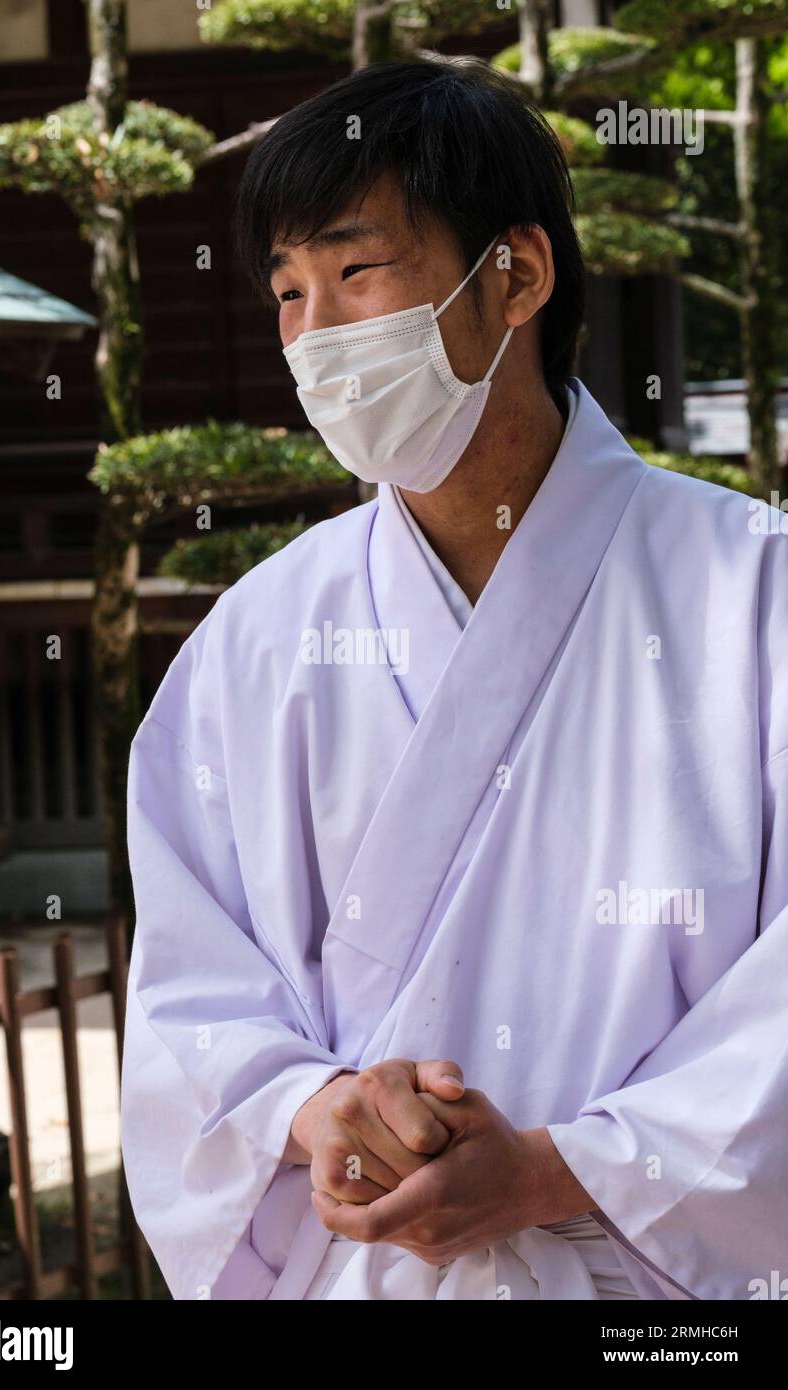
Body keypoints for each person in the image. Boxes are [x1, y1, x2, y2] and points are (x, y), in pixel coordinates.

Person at [120, 57, 788, 1301]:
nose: (314, 334)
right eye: (286, 291)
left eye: (356, 271)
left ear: (515, 275)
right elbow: (188, 1002)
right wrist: (321, 1113)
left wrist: (555, 1170)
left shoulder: (754, 597)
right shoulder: (254, 643)